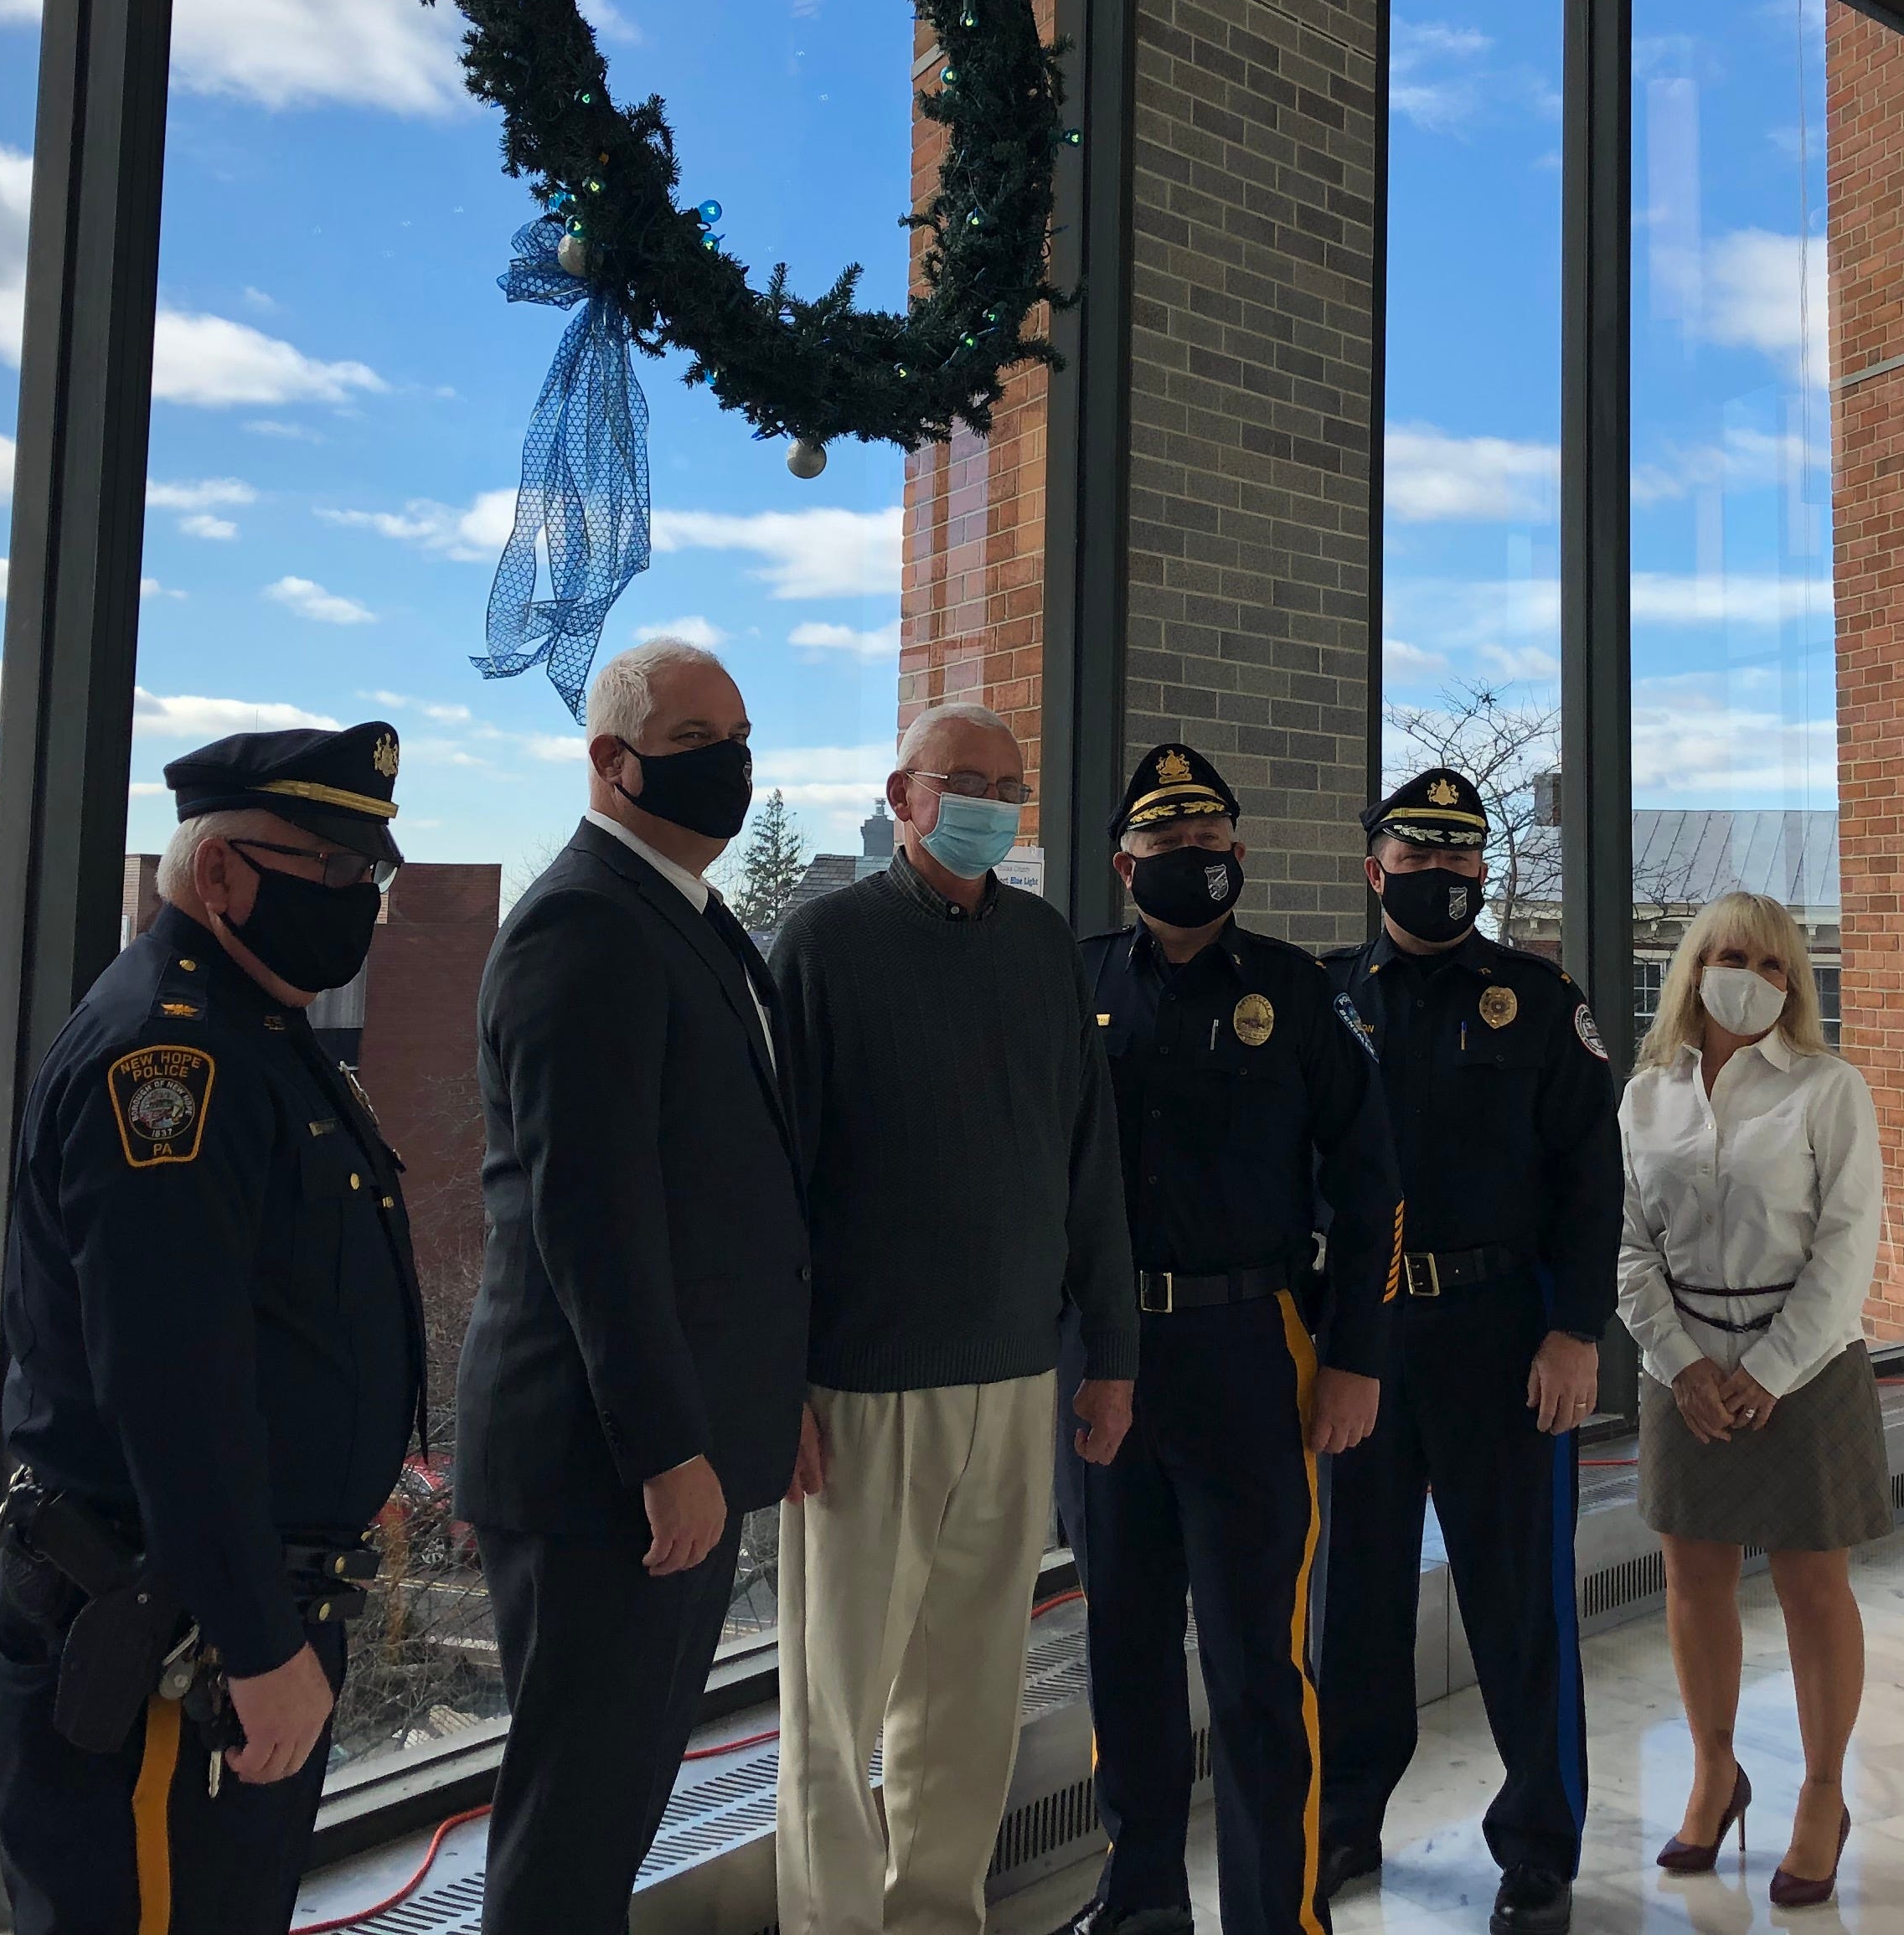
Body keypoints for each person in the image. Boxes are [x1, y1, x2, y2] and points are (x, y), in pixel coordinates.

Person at [0, 721, 425, 1935]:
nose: (359, 901)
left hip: (228, 1623)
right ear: (220, 871)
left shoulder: (256, 1031)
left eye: (371, 877)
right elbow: (172, 1386)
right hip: (170, 1633)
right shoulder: (169, 1058)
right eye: (333, 869)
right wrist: (257, 1640)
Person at [767, 699, 1141, 1935]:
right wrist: (775, 1386)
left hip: (1017, 1379)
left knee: (971, 1695)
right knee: (834, 1711)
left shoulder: (1042, 947)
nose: (989, 805)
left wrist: (1110, 1355)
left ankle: (937, 1917)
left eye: (1008, 787)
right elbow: (773, 1188)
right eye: (963, 782)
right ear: (902, 796)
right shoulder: (823, 945)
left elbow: (1089, 1165)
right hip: (860, 1390)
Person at [457, 637, 811, 1932]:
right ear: (613, 763)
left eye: (741, 738)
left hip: (668, 1451)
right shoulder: (586, 926)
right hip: (601, 1467)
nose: (733, 766)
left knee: (612, 1811)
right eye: (697, 742)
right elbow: (590, 1223)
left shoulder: (682, 916)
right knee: (575, 1825)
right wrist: (668, 1450)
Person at [1059, 742, 1401, 1935]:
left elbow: (1370, 1185)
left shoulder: (1298, 993)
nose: (1192, 858)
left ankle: (1277, 1914)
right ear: (1125, 865)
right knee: (1125, 1644)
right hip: (1104, 1360)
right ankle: (1141, 1897)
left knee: (1257, 1660)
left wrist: (1355, 1356)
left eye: (1209, 842)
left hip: (1252, 1349)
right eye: (1167, 843)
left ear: (1239, 855)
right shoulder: (1076, 980)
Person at [1314, 767, 1619, 1935]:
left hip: (1503, 1335)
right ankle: (1344, 1816)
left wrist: (1576, 1330)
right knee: (1355, 1594)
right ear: (1374, 867)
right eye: (1417, 854)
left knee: (1520, 1600)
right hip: (1362, 1340)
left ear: (1483, 870)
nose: (1440, 873)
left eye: (1459, 855)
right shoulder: (1324, 1001)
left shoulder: (1539, 1003)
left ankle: (1538, 1844)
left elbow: (1592, 1180)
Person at [1616, 890, 1887, 1912]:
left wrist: (1771, 1369)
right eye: (1732, 957)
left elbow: (1847, 1245)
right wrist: (1682, 1364)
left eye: (1775, 965)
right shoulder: (1647, 1097)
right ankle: (1715, 1772)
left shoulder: (1828, 1088)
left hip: (1806, 1370)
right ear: (1693, 969)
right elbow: (1627, 1246)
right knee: (1694, 1577)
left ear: (1794, 985)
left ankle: (1822, 1793)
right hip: (1680, 1367)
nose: (1753, 978)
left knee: (1814, 1584)